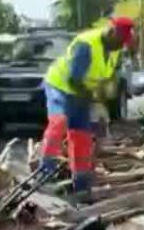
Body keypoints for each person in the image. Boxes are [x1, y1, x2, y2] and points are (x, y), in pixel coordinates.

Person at [40, 16, 134, 200]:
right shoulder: (86, 45)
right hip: (61, 87)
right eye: (121, 40)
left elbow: (108, 78)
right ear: (112, 32)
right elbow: (73, 79)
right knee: (59, 123)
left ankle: (81, 184)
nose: (122, 45)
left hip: (81, 94)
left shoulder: (114, 49)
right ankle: (45, 174)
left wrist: (105, 102)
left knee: (82, 137)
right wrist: (94, 100)